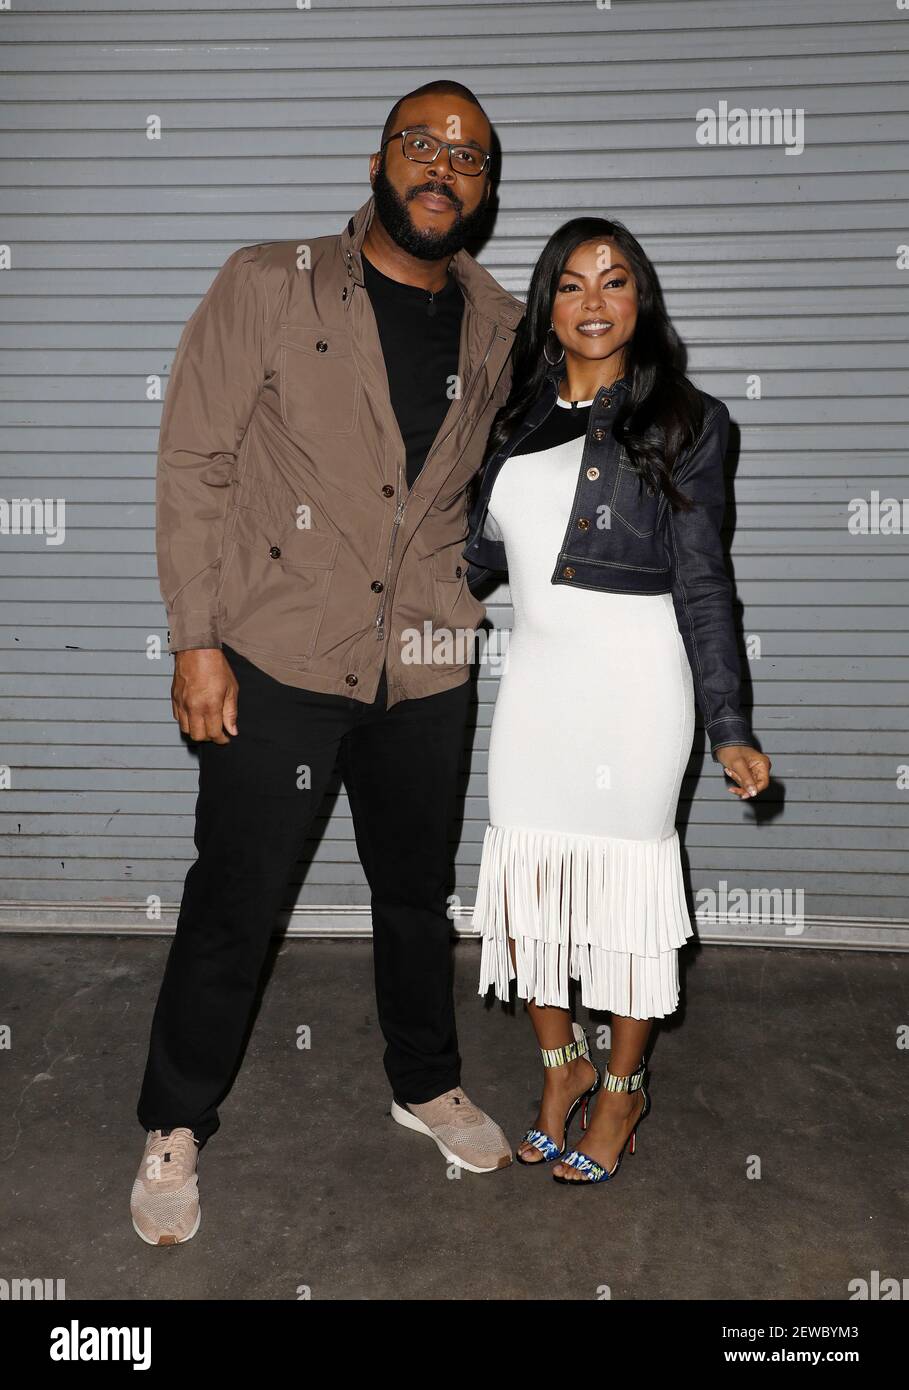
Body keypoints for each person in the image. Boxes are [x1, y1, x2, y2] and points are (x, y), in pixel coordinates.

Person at [132, 80, 525, 1245]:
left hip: (428, 665)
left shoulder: (504, 325)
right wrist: (196, 639)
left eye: (468, 155)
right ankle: (174, 1118)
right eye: (422, 142)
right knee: (234, 902)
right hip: (280, 658)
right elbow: (194, 459)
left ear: (486, 191)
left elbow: (524, 479)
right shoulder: (268, 282)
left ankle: (425, 1081)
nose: (441, 166)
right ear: (377, 160)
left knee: (415, 898)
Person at [463, 218, 772, 1185]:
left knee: (629, 902)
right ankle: (564, 1070)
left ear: (642, 300)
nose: (594, 303)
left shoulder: (688, 419)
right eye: (571, 284)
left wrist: (728, 725)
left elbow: (705, 584)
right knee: (529, 893)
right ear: (546, 305)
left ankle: (626, 1084)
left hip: (637, 692)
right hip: (539, 692)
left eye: (615, 282)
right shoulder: (510, 414)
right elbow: (468, 563)